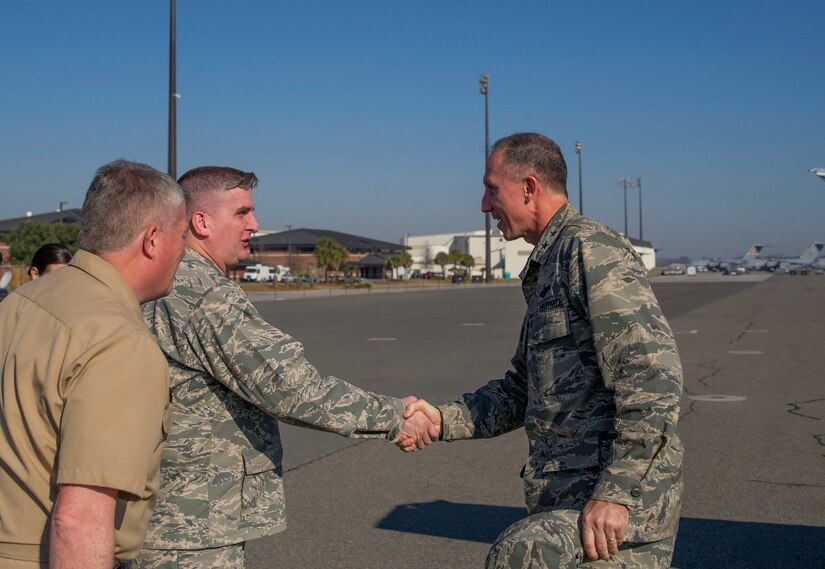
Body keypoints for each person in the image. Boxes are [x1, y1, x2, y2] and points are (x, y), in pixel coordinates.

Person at [133, 166, 436, 569]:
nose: (255, 224)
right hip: (192, 525)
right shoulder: (205, 296)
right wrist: (396, 418)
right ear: (201, 222)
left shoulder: (165, 281)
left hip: (165, 511)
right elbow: (290, 387)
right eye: (242, 213)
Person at [405, 133, 684, 568]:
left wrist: (616, 492)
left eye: (491, 189)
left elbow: (652, 377)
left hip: (612, 514)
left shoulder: (590, 250)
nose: (484, 205)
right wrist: (441, 420)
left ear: (529, 187)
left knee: (518, 554)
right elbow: (521, 389)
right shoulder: (549, 264)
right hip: (570, 502)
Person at [0, 160, 188, 568]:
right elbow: (79, 521)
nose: (184, 251)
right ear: (152, 240)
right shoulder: (120, 342)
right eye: (181, 235)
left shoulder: (18, 303)